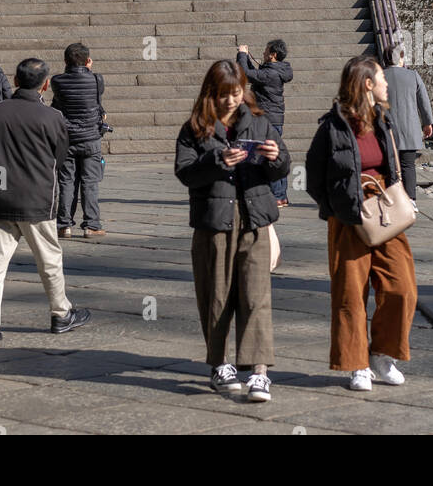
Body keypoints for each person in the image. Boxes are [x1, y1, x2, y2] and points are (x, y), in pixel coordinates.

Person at [174, 58, 290, 403]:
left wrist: (275, 158)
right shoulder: (195, 128)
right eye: (224, 94)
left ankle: (259, 371)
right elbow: (184, 172)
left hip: (254, 219)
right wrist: (216, 161)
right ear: (212, 93)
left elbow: (282, 164)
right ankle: (220, 364)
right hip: (214, 223)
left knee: (256, 294)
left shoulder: (259, 122)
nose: (231, 101)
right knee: (216, 295)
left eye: (236, 93)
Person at [306, 55, 418, 392]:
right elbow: (313, 178)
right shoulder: (331, 127)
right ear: (367, 84)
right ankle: (356, 365)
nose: (387, 84)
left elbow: (394, 164)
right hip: (349, 220)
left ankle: (382, 354)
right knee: (350, 295)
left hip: (385, 214)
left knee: (402, 288)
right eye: (382, 78)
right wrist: (337, 209)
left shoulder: (383, 119)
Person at [0, 58, 92, 346]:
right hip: (38, 201)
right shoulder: (52, 118)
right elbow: (59, 158)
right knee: (49, 261)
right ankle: (60, 313)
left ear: (15, 80)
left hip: (0, 200)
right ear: (45, 84)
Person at [51, 41, 108, 238]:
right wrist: (88, 69)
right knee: (90, 182)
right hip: (91, 138)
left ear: (65, 61)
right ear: (88, 60)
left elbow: (57, 104)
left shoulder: (57, 81)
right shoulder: (96, 80)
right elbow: (97, 101)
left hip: (66, 139)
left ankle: (64, 225)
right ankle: (91, 225)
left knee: (66, 181)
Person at [236, 40, 294, 206]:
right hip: (273, 119)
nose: (263, 53)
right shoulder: (276, 71)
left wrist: (241, 54)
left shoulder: (271, 74)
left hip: (269, 119)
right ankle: (279, 195)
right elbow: (253, 74)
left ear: (273, 55)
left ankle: (277, 195)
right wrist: (245, 56)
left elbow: (246, 75)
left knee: (270, 155)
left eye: (266, 51)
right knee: (272, 153)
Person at [381, 54, 433, 201]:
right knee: (408, 166)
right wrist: (427, 122)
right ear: (400, 59)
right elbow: (423, 101)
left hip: (386, 129)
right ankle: (410, 200)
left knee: (389, 166)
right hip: (409, 129)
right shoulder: (413, 75)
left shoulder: (379, 76)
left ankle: (392, 199)